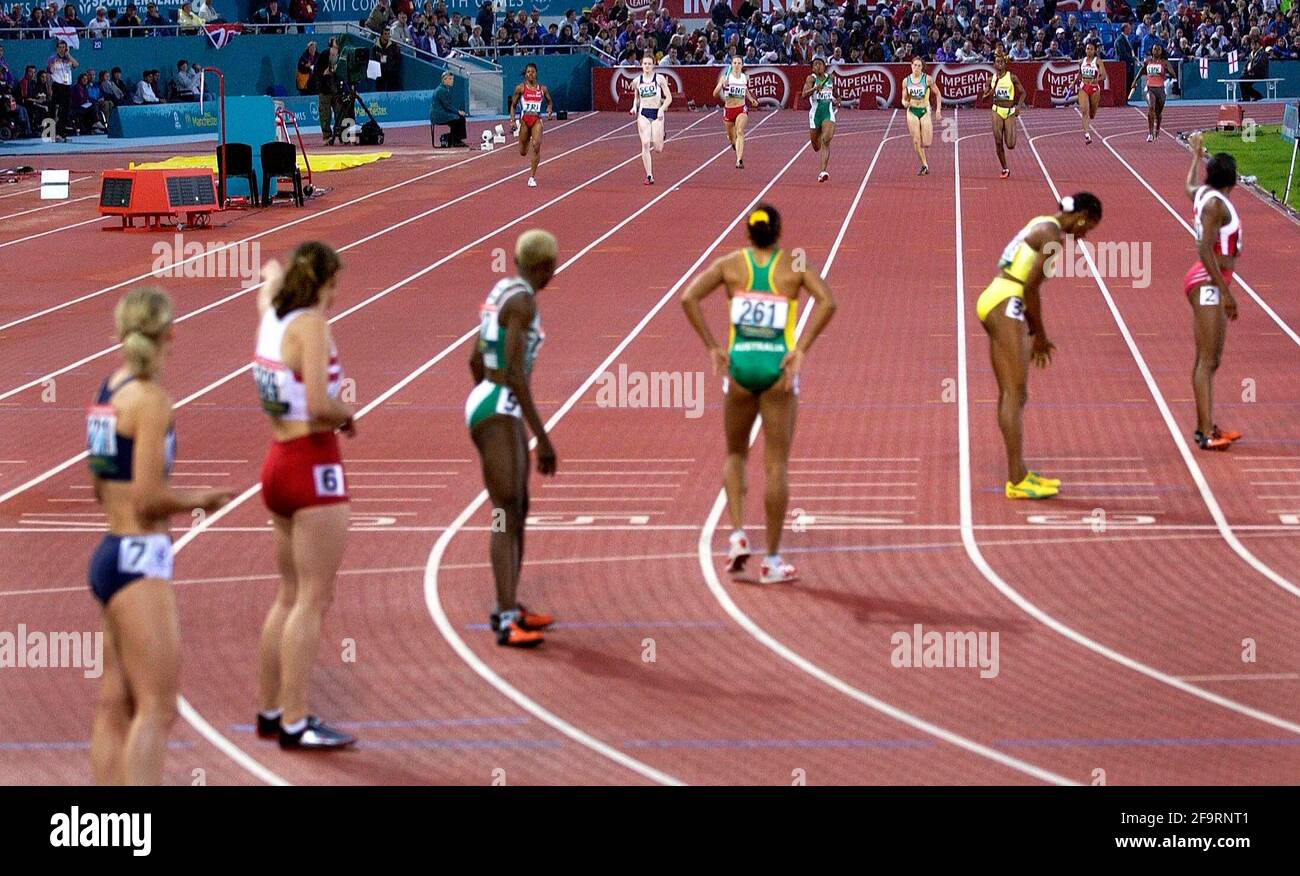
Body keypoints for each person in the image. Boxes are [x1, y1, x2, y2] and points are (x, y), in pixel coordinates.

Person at [87, 288, 231, 784]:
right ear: (169, 332)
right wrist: (201, 499)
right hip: (140, 559)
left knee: (114, 704)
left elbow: (97, 483)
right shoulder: (151, 401)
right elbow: (149, 498)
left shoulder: (109, 390)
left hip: (109, 554)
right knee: (157, 708)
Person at [681, 204, 837, 584]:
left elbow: (688, 298)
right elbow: (828, 301)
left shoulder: (731, 265)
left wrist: (713, 348)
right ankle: (771, 560)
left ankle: (736, 535)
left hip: (738, 368)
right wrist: (800, 349)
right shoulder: (792, 267)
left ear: (748, 234)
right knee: (776, 465)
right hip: (777, 371)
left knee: (735, 453)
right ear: (779, 232)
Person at [253, 242, 358, 750]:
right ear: (321, 283)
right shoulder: (311, 325)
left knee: (289, 594)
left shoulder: (272, 315)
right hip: (312, 463)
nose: (336, 296)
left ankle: (271, 710)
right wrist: (347, 414)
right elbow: (318, 403)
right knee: (314, 599)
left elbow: (269, 276)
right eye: (334, 285)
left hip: (276, 463)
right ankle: (296, 721)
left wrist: (281, 272)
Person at [974, 194, 1103, 498]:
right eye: (1088, 227)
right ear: (1081, 215)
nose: (1084, 235)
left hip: (998, 298)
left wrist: (1031, 329)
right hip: (1007, 302)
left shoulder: (1042, 224)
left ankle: (1019, 474)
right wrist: (1041, 337)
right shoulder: (1053, 235)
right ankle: (1017, 480)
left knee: (1012, 394)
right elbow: (1030, 287)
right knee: (1014, 394)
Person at [466, 230, 559, 647]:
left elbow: (474, 356)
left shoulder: (502, 289)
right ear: (545, 267)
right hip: (500, 403)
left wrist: (483, 396)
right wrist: (542, 437)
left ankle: (510, 603)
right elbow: (516, 370)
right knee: (505, 510)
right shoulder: (522, 302)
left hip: (491, 401)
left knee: (518, 506)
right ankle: (505, 619)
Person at [1183, 132, 1243, 451]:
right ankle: (1205, 432)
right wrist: (1226, 292)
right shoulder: (1217, 206)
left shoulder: (1205, 196)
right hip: (1208, 281)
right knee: (1207, 360)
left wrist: (1195, 156)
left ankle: (1205, 425)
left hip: (1210, 281)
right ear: (1233, 179)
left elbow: (1189, 187)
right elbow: (1204, 249)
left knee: (1210, 360)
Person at [508, 63, 553, 188]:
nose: (530, 74)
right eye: (528, 72)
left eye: (533, 72)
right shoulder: (520, 88)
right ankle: (525, 142)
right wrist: (512, 120)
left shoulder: (542, 89)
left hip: (536, 120)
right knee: (523, 152)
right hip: (524, 121)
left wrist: (549, 109)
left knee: (537, 145)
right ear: (525, 74)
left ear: (536, 73)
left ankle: (532, 177)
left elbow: (549, 101)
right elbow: (513, 106)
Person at [981, 51, 1025, 179]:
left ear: (1005, 64)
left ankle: (1009, 131)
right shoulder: (991, 80)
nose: (999, 64)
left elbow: (1023, 93)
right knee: (998, 141)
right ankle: (1005, 168)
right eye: (997, 62)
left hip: (1010, 111)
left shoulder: (1012, 77)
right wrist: (992, 90)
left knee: (1010, 145)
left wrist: (1018, 106)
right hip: (997, 110)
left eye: (1002, 62)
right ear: (994, 65)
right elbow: (983, 99)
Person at [630, 50, 671, 185]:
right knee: (646, 143)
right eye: (645, 63)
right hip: (644, 114)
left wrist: (661, 109)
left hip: (657, 113)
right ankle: (649, 175)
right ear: (641, 65)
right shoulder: (637, 81)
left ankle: (661, 134)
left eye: (649, 64)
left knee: (658, 148)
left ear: (653, 65)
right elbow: (636, 98)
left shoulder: (659, 79)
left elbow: (669, 98)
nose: (647, 66)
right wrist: (634, 107)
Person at [802, 56, 842, 182]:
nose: (817, 66)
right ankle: (818, 137)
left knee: (826, 140)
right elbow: (804, 94)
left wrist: (837, 99)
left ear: (824, 66)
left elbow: (835, 93)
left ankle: (823, 171)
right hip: (815, 115)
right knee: (816, 146)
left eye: (819, 64)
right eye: (815, 64)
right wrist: (815, 88)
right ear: (813, 68)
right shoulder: (811, 79)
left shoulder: (830, 78)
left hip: (827, 113)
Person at [713, 54, 756, 169]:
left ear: (742, 65)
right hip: (728, 110)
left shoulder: (745, 77)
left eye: (739, 63)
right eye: (735, 63)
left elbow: (745, 89)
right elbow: (714, 94)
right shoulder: (725, 78)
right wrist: (721, 86)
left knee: (740, 131)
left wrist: (751, 99)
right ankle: (733, 143)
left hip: (741, 108)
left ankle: (739, 160)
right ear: (731, 65)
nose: (737, 65)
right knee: (732, 138)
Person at [902, 55, 942, 175]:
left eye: (919, 66)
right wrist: (905, 103)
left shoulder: (927, 79)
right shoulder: (906, 81)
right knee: (916, 140)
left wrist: (938, 110)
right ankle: (924, 164)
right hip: (912, 111)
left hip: (924, 111)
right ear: (911, 66)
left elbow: (938, 94)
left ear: (922, 67)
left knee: (927, 143)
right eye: (915, 65)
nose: (917, 68)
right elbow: (903, 99)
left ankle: (924, 161)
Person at [1129, 42, 1174, 142]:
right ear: (1152, 51)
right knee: (1151, 107)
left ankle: (1157, 129)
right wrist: (1134, 81)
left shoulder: (1164, 62)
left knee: (1158, 113)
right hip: (1150, 88)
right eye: (1154, 49)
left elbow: (1173, 74)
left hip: (1161, 90)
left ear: (1161, 51)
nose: (1156, 51)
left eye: (1158, 49)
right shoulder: (1148, 61)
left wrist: (1168, 71)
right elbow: (1141, 71)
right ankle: (1150, 133)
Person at [1073, 40, 1107, 144]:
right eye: (1087, 48)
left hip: (1094, 89)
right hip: (1083, 87)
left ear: (1095, 50)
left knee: (1092, 114)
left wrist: (1097, 79)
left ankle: (1090, 118)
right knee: (1084, 111)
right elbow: (1080, 74)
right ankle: (1087, 135)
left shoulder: (1098, 61)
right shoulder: (1082, 61)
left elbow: (1104, 76)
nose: (1089, 51)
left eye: (1091, 49)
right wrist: (1073, 83)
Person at [430, 69, 468, 146]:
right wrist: (458, 112)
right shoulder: (441, 90)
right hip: (438, 115)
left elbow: (447, 106)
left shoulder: (444, 89)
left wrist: (457, 112)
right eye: (450, 79)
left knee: (459, 117)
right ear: (444, 80)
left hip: (442, 113)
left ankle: (456, 139)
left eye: (452, 79)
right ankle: (456, 141)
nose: (452, 81)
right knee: (458, 118)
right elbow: (447, 106)